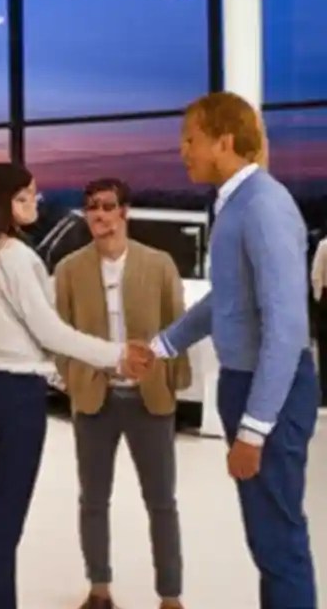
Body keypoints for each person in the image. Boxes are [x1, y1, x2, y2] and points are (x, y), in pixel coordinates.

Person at [128, 91, 318, 608]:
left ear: (224, 142)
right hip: (244, 383)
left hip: (268, 391)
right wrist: (163, 344)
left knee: (277, 542)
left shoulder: (263, 206)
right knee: (267, 539)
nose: (183, 151)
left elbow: (286, 327)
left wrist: (254, 429)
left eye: (190, 139)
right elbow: (228, 298)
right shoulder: (235, 204)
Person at [0, 162, 134, 609]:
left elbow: (14, 335)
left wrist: (58, 371)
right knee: (5, 526)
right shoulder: (18, 257)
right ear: (7, 203)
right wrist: (115, 354)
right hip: (17, 399)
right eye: (26, 196)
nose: (35, 202)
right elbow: (50, 331)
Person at [53, 178, 191, 609]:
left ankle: (170, 596)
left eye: (107, 205)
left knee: (162, 502)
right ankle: (99, 590)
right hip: (94, 399)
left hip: (150, 399)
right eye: (91, 207)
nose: (99, 214)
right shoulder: (69, 269)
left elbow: (177, 325)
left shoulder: (159, 264)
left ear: (124, 211)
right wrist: (71, 379)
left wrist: (172, 384)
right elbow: (61, 334)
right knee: (93, 500)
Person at [313, 234, 326, 403]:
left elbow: (316, 275)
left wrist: (319, 298)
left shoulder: (324, 245)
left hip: (325, 297)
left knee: (324, 350)